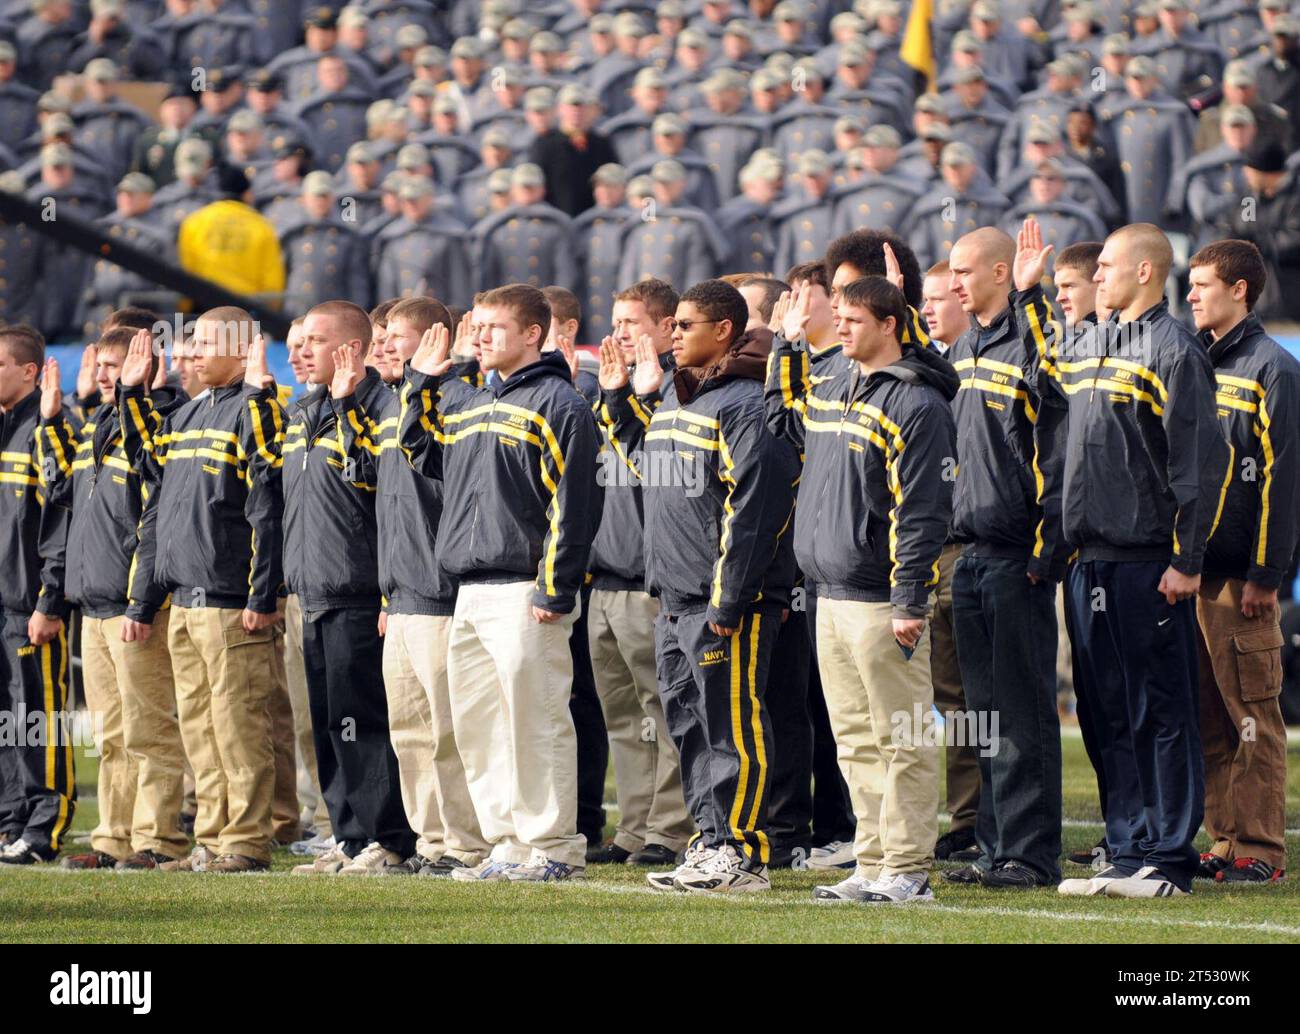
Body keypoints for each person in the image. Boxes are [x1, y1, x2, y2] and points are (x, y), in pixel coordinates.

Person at [1036, 223, 1232, 899]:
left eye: (1108, 267)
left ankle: (1169, 857)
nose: (1096, 277)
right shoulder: (1088, 342)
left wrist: (1187, 559)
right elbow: (1041, 401)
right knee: (1105, 711)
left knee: (1160, 708)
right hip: (1087, 560)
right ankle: (1126, 849)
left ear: (1145, 272)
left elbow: (1200, 464)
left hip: (1149, 561)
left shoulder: (1174, 349)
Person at [598, 279, 800, 894]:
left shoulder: (746, 403)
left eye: (686, 325)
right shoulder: (678, 395)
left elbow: (754, 510)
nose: (674, 334)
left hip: (722, 603)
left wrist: (729, 599)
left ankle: (742, 854)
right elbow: (648, 470)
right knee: (689, 726)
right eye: (674, 324)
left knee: (730, 730)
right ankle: (710, 841)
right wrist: (617, 401)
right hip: (674, 599)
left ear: (724, 331)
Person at [764, 269, 958, 903]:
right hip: (830, 595)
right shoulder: (835, 385)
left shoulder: (917, 404)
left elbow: (921, 512)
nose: (840, 328)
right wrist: (787, 348)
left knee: (902, 737)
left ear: (890, 326)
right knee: (854, 740)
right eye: (839, 318)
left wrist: (909, 599)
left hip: (880, 600)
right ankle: (872, 860)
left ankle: (907, 867)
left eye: (853, 320)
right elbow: (782, 424)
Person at [402, 284, 603, 882]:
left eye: (493, 327)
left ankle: (553, 845)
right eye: (476, 325)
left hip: (525, 589)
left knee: (534, 719)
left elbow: (575, 504)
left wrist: (555, 587)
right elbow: (421, 452)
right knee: (480, 724)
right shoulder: (470, 399)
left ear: (533, 334)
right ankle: (508, 843)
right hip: (469, 589)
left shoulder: (560, 403)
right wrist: (422, 384)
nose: (479, 335)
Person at [115, 308, 285, 874]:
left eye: (207, 344)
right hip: (185, 600)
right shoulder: (189, 413)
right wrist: (131, 396)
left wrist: (261, 595)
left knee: (239, 727)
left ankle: (246, 841)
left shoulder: (255, 409)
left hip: (230, 601)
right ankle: (211, 839)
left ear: (243, 350)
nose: (193, 353)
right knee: (201, 730)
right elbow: (148, 465)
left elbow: (268, 502)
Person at [939, 226, 1068, 891]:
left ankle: (1031, 853)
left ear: (998, 272)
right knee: (985, 715)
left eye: (964, 271)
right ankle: (993, 847)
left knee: (1022, 714)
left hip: (1019, 554)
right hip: (969, 553)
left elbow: (1058, 385)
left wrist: (1032, 295)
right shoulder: (964, 347)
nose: (955, 282)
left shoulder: (1029, 340)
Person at [42, 324, 190, 871]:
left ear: (145, 366)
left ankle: (158, 839)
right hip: (94, 607)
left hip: (133, 607)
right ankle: (113, 839)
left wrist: (141, 603)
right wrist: (53, 421)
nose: (105, 375)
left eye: (117, 366)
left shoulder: (160, 424)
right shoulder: (97, 425)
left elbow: (155, 524)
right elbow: (59, 489)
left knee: (149, 729)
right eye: (102, 367)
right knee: (111, 734)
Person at [282, 300, 416, 876]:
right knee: (329, 725)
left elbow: (384, 494)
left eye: (314, 340)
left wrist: (346, 407)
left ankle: (388, 838)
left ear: (351, 348)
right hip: (311, 592)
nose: (301, 351)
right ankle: (348, 834)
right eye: (299, 342)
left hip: (358, 592)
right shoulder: (302, 412)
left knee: (364, 723)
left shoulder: (380, 407)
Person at [1187, 239, 1299, 884]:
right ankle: (1224, 839)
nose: (1191, 294)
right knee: (1212, 716)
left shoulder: (1274, 369)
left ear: (1240, 291)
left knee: (1253, 718)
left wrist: (1265, 573)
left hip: (1240, 580)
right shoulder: (1197, 358)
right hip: (1196, 573)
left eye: (1202, 284)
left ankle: (1261, 850)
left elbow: (1284, 482)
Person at [585, 279, 694, 867]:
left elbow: (666, 473)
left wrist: (639, 400)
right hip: (603, 580)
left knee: (665, 710)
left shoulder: (677, 389)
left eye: (631, 322)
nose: (619, 332)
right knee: (625, 719)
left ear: (665, 326)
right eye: (616, 321)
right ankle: (632, 827)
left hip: (648, 583)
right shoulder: (608, 386)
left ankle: (670, 829)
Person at [0, 324, 75, 865]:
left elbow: (62, 516)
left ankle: (44, 826)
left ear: (29, 371)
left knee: (38, 718)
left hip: (30, 604)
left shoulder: (50, 428)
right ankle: (11, 822)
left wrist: (50, 600)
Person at [177, 165, 286, 302]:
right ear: (246, 194)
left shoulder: (194, 222)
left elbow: (187, 269)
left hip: (203, 303)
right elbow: (272, 278)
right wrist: (271, 309)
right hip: (248, 305)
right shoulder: (261, 226)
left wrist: (185, 307)